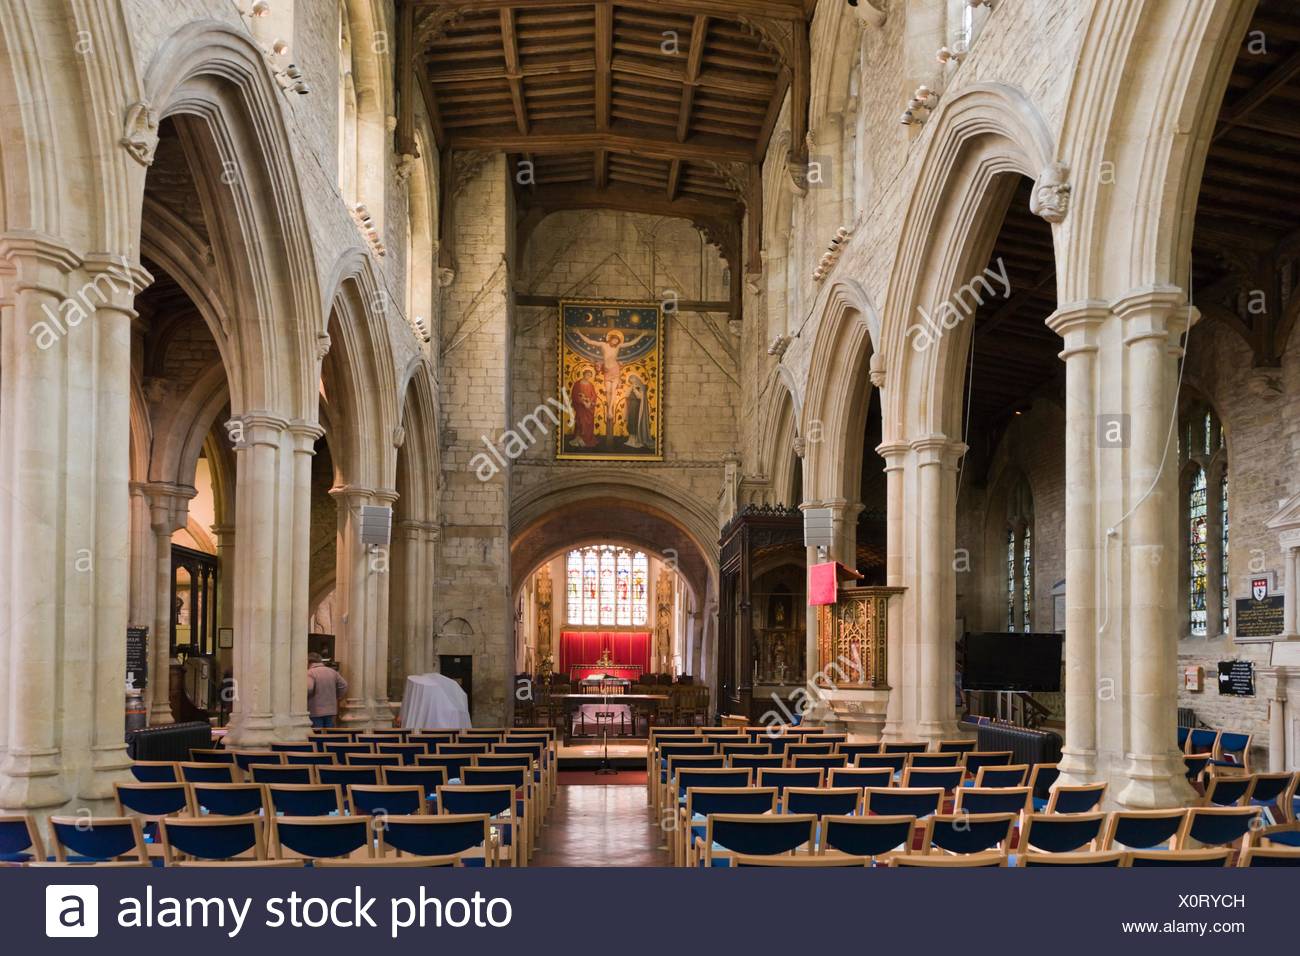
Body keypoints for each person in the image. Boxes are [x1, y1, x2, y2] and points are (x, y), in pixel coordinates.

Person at [307, 652, 347, 728]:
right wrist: (338, 697)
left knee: (318, 736)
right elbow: (344, 685)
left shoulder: (310, 672)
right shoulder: (332, 672)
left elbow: (309, 688)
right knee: (329, 735)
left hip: (315, 711)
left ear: (309, 662)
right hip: (331, 710)